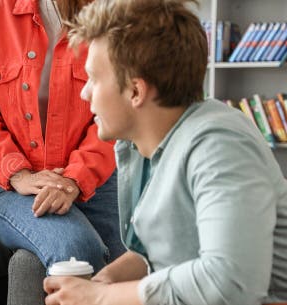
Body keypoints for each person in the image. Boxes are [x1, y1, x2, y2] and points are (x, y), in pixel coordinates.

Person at [42, 0, 287, 304]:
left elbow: (231, 283)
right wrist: (105, 280)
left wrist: (102, 297)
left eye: (93, 78)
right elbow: (165, 252)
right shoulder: (142, 146)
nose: (85, 92)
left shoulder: (219, 145)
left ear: (135, 91)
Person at [0, 0, 125, 276]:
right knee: (76, 250)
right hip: (16, 185)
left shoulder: (111, 15)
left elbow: (116, 111)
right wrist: (19, 174)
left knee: (124, 276)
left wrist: (75, 178)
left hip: (98, 181)